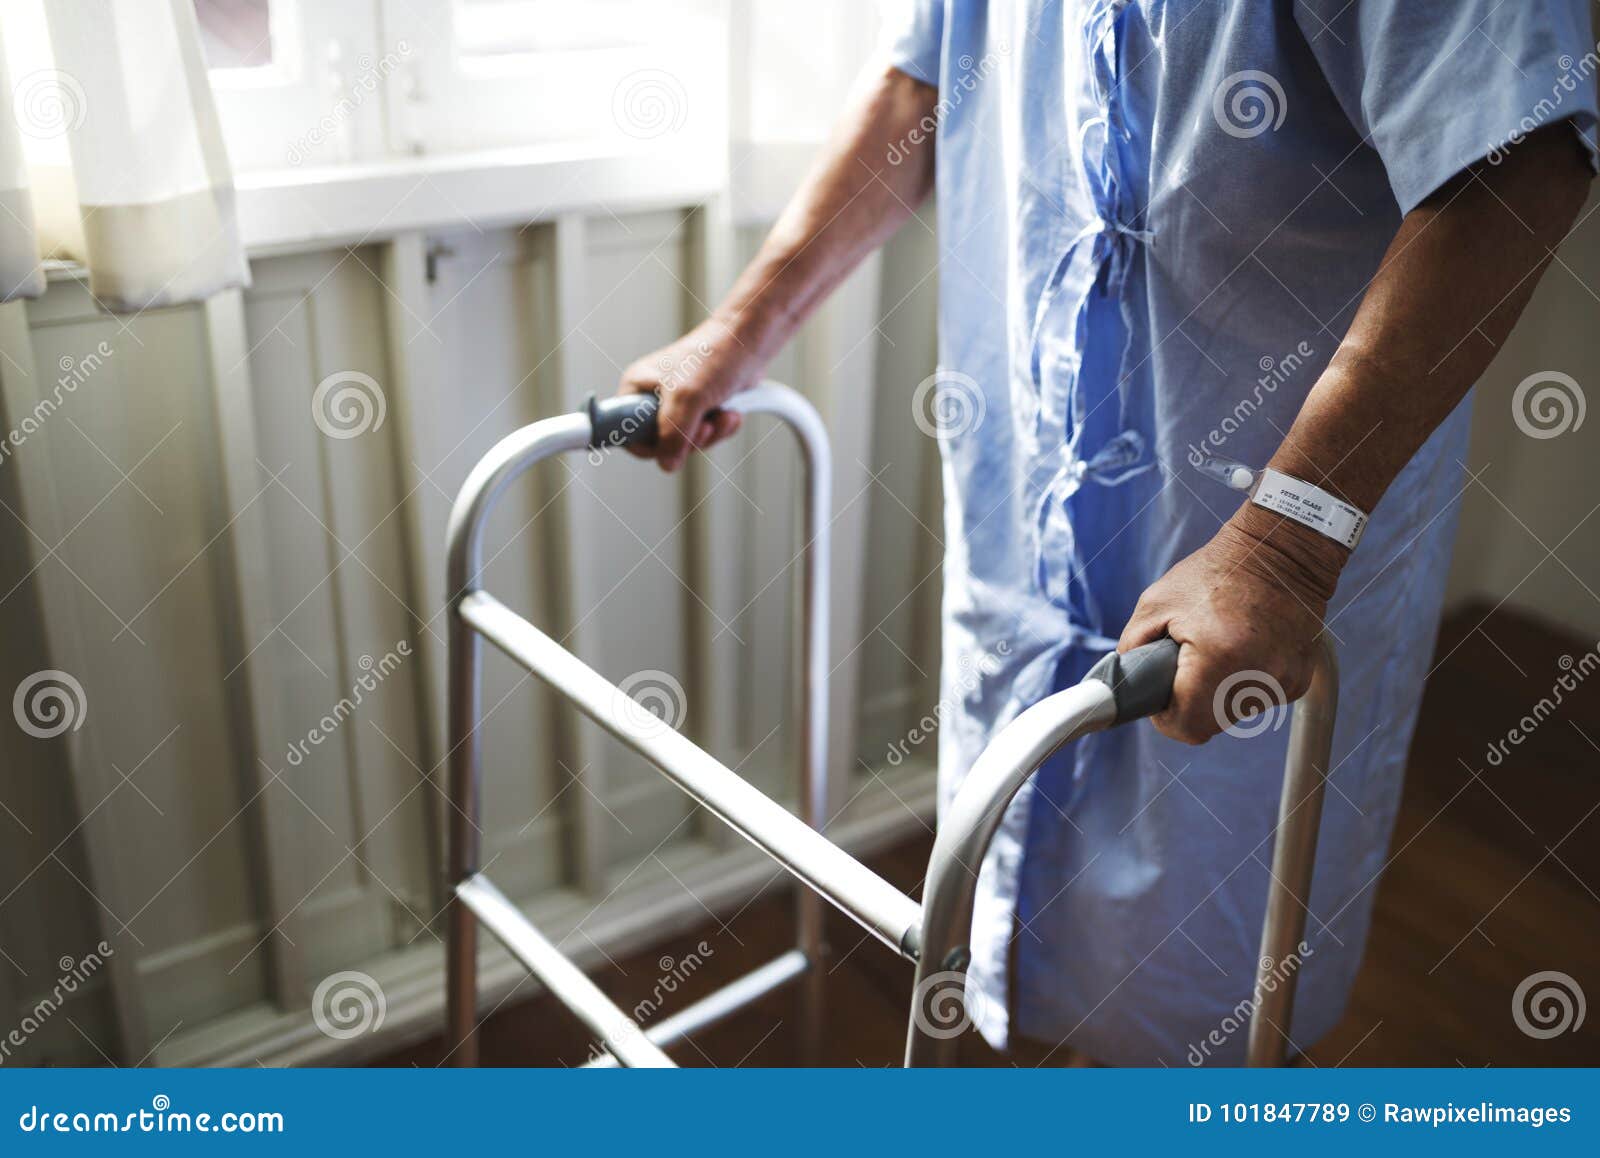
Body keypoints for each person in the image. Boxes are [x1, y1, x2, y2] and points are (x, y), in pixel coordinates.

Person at [616, 1, 1599, 1064]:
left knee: (1226, 971)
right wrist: (740, 329)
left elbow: (1514, 160)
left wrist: (1286, 543)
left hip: (1269, 529)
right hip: (1024, 506)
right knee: (1026, 895)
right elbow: (921, 81)